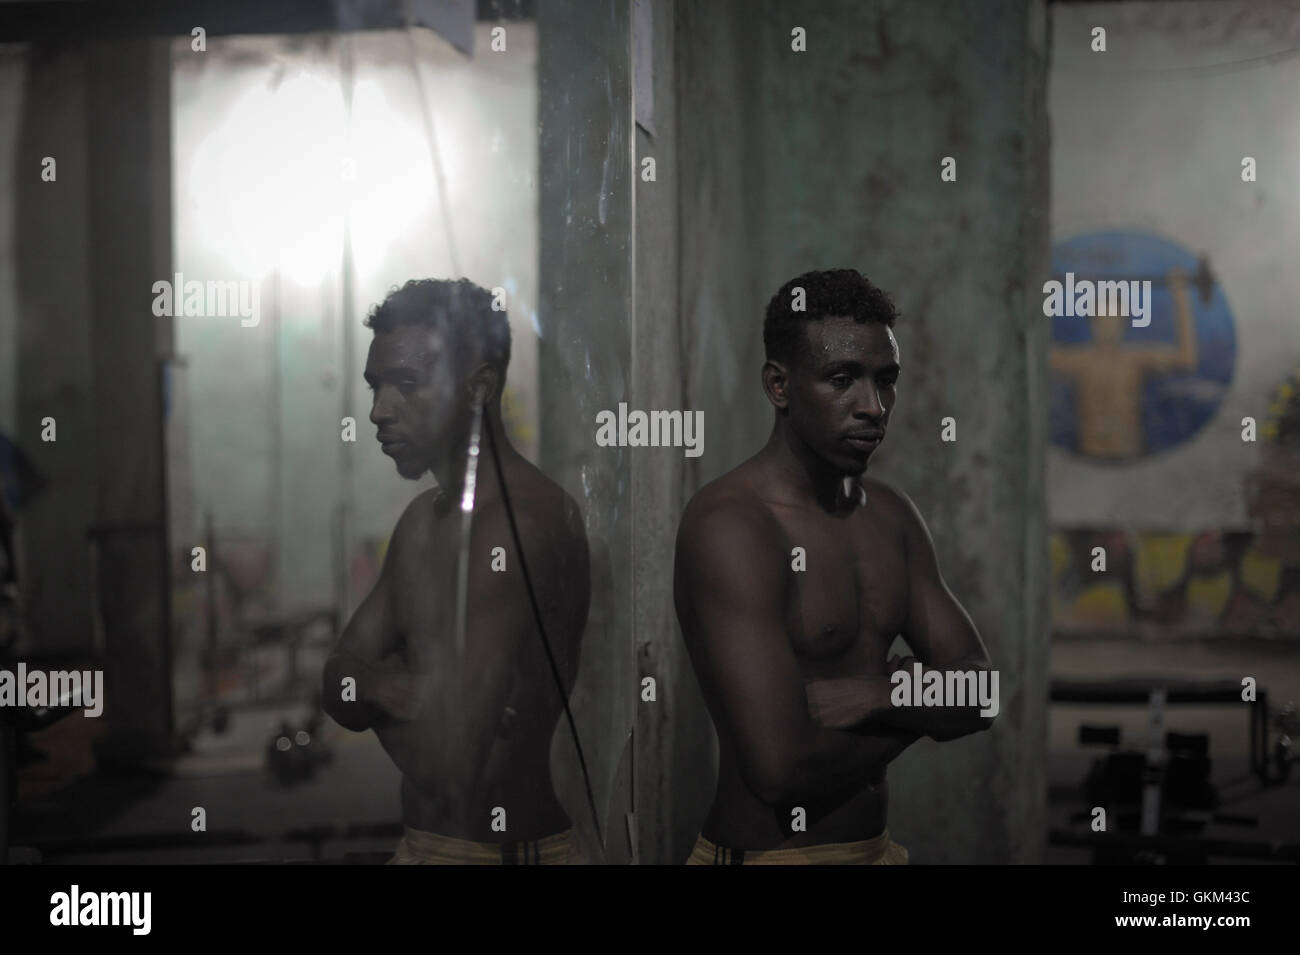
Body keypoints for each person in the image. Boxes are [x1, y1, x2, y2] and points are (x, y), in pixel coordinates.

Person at [674, 268, 995, 864]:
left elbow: (979, 690)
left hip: (876, 853)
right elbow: (780, 769)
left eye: (886, 380)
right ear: (779, 385)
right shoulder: (733, 526)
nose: (872, 407)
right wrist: (924, 704)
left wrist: (881, 695)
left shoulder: (892, 515)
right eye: (842, 379)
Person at [322, 279, 590, 864]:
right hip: (422, 845)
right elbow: (335, 681)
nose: (377, 410)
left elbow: (452, 763)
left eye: (407, 385)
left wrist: (375, 682)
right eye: (376, 386)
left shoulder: (519, 525)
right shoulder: (423, 521)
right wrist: (391, 688)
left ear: (480, 388)